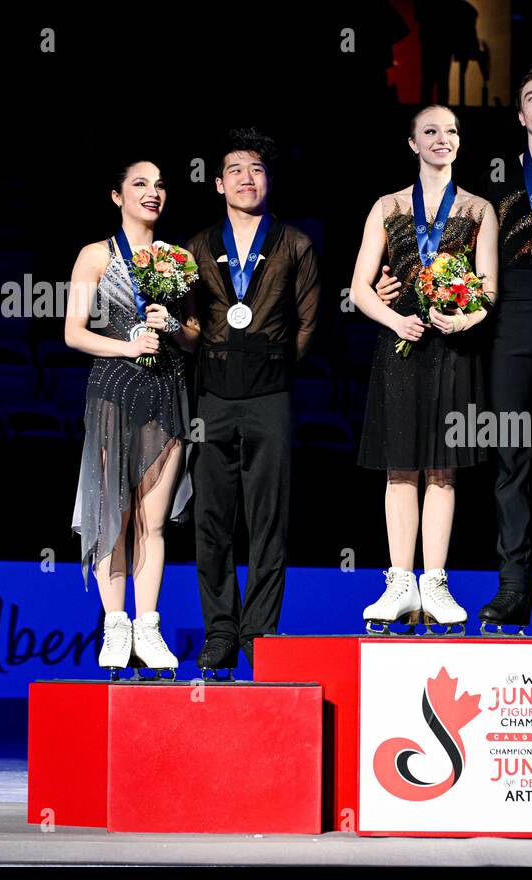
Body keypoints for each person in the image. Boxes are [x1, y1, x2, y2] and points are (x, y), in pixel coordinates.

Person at [379, 67, 532, 634]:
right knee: (511, 459)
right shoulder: (496, 179)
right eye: (531, 98)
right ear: (519, 115)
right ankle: (512, 585)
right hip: (506, 333)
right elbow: (453, 251)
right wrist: (400, 285)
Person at [351, 104, 497, 634]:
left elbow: (489, 290)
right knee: (399, 467)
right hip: (401, 347)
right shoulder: (387, 206)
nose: (443, 138)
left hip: (454, 350)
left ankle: (434, 582)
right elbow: (359, 289)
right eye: (430, 131)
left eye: (451, 131)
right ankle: (398, 582)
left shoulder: (480, 208)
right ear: (412, 143)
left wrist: (465, 320)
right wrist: (395, 320)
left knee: (443, 468)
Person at [184, 128, 320, 676]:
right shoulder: (194, 247)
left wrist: (273, 367)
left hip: (270, 396)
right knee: (211, 521)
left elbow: (309, 323)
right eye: (236, 170)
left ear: (269, 180)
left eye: (257, 169)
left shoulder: (295, 243)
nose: (247, 178)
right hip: (212, 395)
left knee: (269, 520)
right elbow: (191, 323)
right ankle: (220, 632)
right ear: (219, 183)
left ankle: (259, 632)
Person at [66, 159, 197, 678]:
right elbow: (73, 332)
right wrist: (127, 344)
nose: (153, 192)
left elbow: (194, 337)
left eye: (160, 184)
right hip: (113, 392)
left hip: (167, 392)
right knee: (113, 516)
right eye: (140, 184)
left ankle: (148, 626)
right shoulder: (95, 255)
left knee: (153, 521)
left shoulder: (178, 259)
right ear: (117, 196)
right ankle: (115, 624)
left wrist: (175, 328)